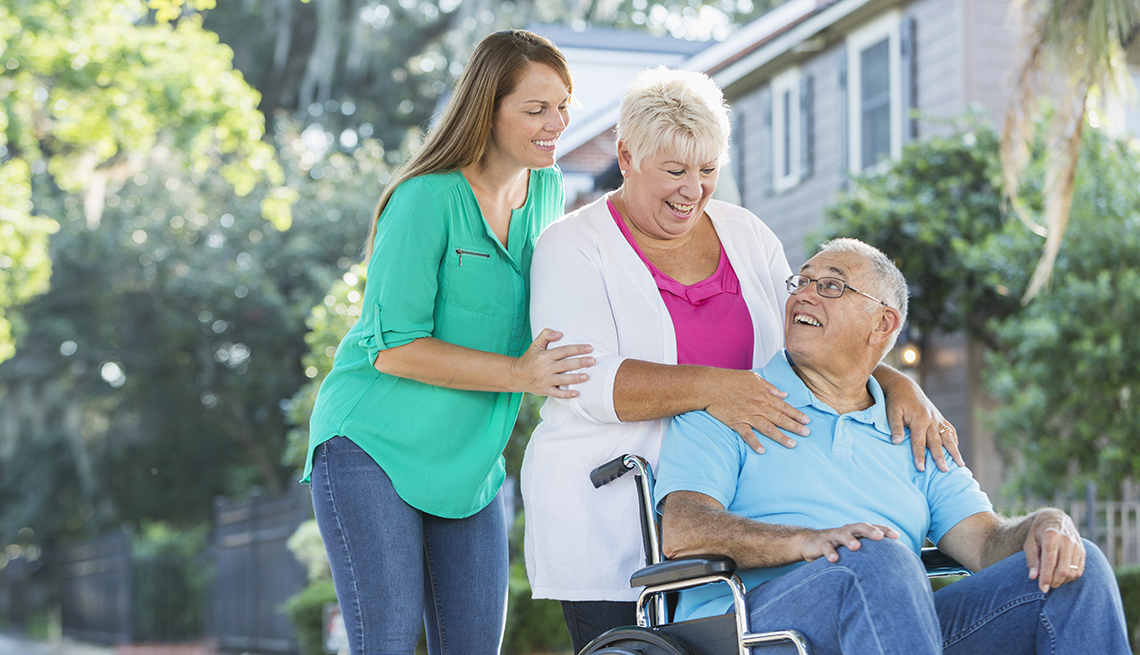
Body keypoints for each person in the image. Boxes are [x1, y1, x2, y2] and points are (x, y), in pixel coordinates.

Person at [521, 67, 964, 653]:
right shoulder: (572, 245)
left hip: (739, 516)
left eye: (707, 170)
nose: (693, 189)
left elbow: (807, 338)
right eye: (675, 171)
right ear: (626, 157)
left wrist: (893, 379)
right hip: (616, 523)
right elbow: (582, 379)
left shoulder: (745, 234)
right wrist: (715, 387)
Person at [654, 238, 1130, 654]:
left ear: (882, 324)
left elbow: (986, 545)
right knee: (874, 554)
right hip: (750, 630)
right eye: (801, 282)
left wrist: (1043, 525)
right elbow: (682, 531)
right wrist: (805, 542)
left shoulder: (915, 431)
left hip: (898, 630)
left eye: (832, 286)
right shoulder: (733, 403)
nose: (804, 294)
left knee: (1072, 566)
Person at [301, 30, 596, 655]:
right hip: (373, 446)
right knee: (388, 640)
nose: (557, 124)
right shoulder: (424, 199)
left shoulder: (547, 192)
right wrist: (520, 374)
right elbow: (393, 348)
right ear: (488, 111)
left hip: (470, 464)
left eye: (563, 104)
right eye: (536, 109)